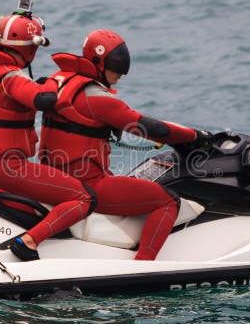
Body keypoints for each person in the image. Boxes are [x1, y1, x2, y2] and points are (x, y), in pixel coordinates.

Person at [38, 29, 212, 261]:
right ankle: (143, 266)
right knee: (169, 201)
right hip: (87, 184)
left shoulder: (58, 81)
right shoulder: (95, 97)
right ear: (100, 62)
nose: (120, 74)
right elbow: (150, 128)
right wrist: (196, 136)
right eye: (116, 68)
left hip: (54, 178)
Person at [0, 0, 95, 261]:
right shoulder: (11, 76)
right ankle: (28, 242)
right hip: (4, 168)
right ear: (31, 49)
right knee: (83, 197)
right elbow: (45, 100)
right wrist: (50, 82)